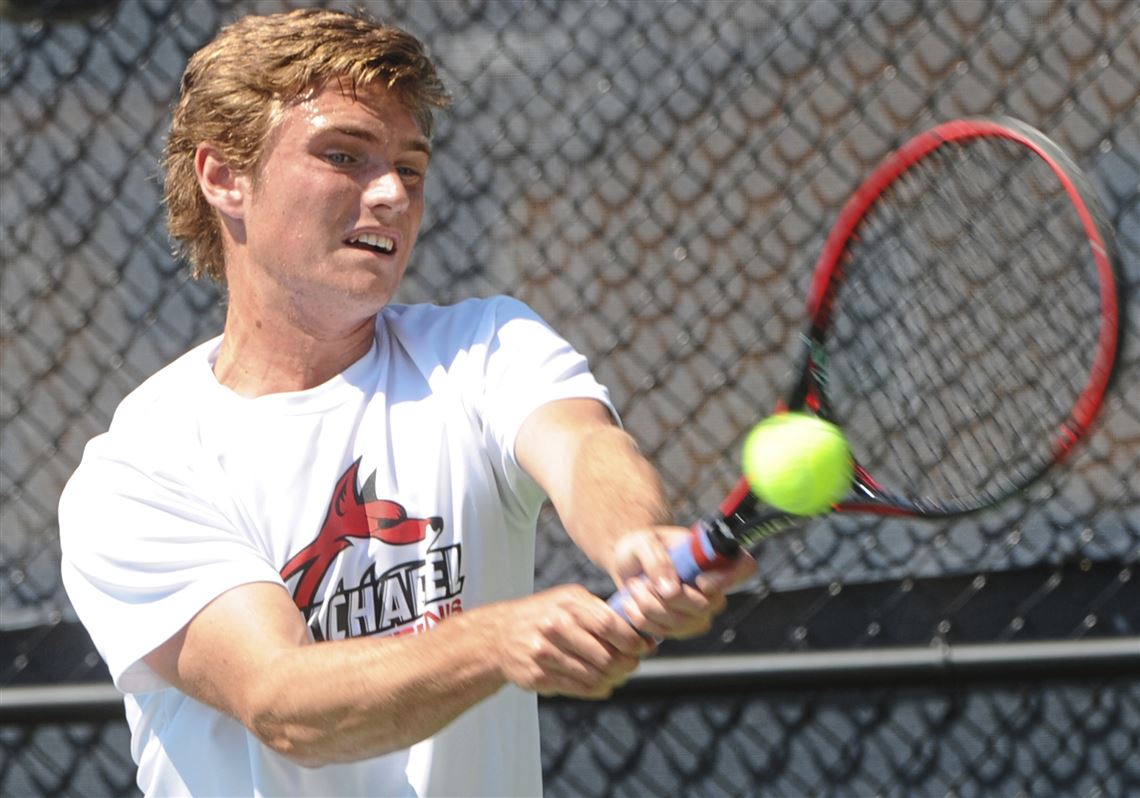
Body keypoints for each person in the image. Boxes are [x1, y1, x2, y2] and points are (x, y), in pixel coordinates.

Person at [59, 8, 755, 797]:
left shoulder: (485, 347)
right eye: (344, 156)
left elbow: (583, 448)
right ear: (224, 177)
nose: (391, 193)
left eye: (411, 167)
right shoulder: (138, 472)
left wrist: (636, 541)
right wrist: (496, 639)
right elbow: (284, 703)